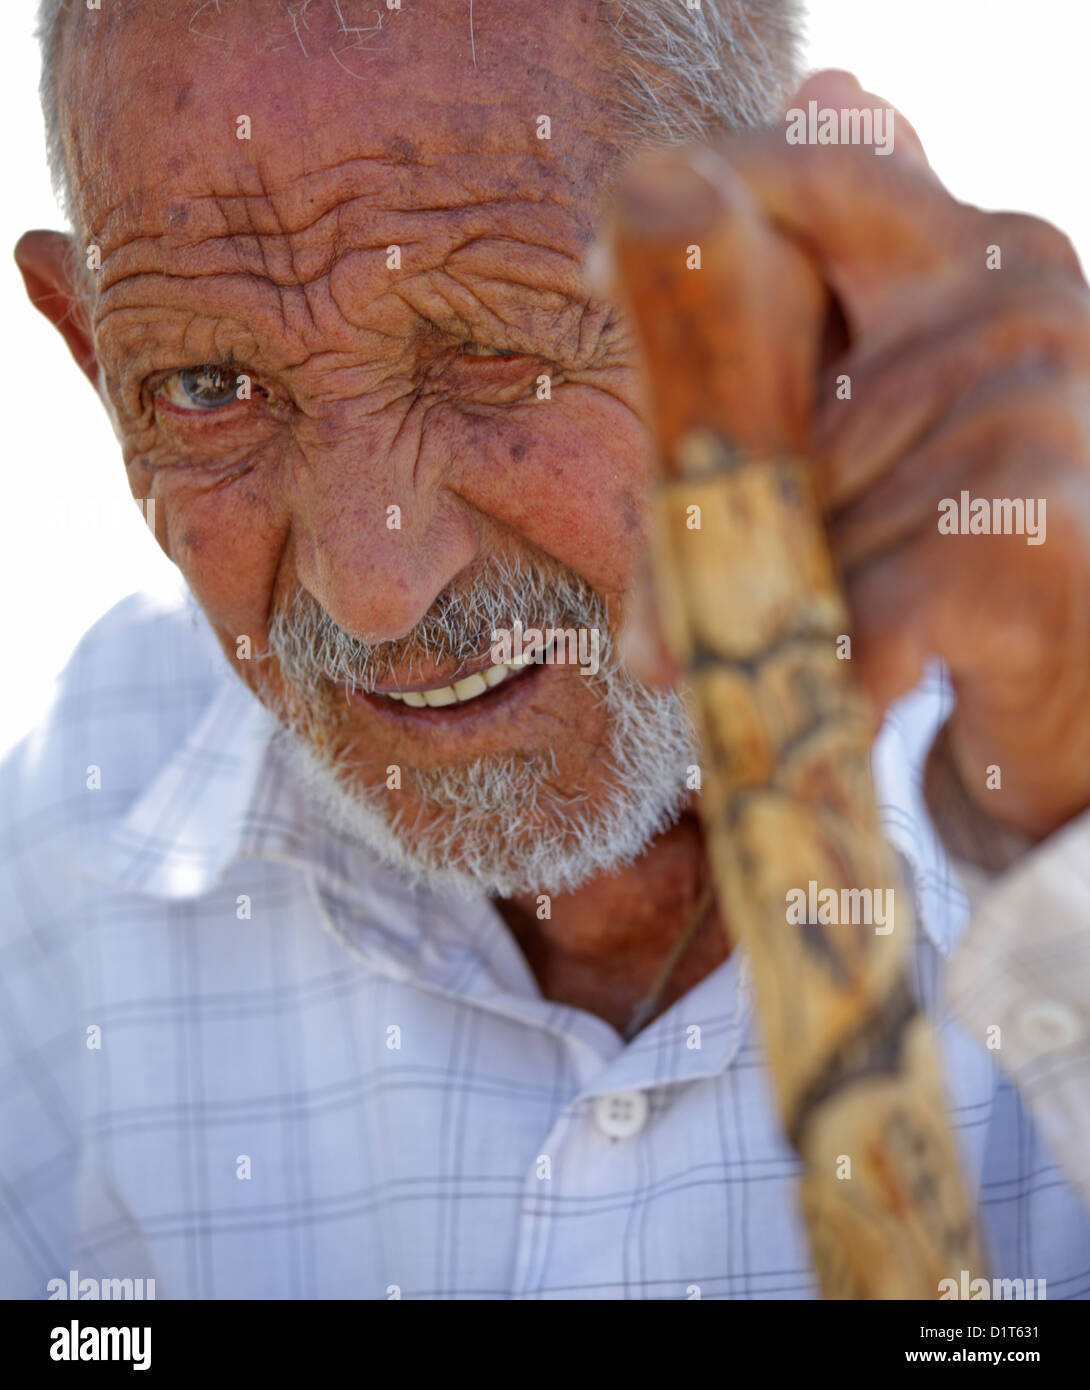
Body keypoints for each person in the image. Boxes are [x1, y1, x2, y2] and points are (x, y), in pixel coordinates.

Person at [3, 0, 1089, 1299]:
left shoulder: (1053, 736)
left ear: (806, 271)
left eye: (490, 353)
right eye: (205, 387)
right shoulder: (63, 871)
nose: (376, 594)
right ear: (86, 343)